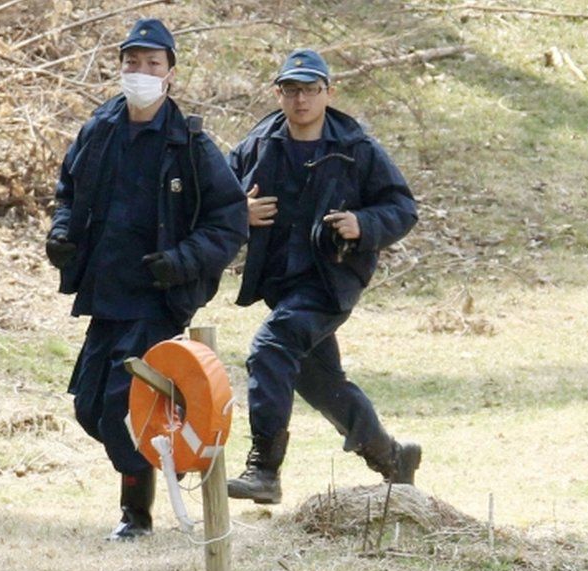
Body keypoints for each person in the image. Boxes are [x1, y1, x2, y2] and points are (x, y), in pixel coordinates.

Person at [46, 18, 248, 539]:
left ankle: (135, 517)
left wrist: (182, 260)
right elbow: (67, 192)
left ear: (170, 74)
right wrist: (63, 233)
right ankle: (169, 453)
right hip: (103, 290)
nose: (140, 71)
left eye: (152, 63)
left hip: (157, 297)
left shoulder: (192, 144)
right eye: (132, 62)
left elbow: (229, 221)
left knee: (123, 402)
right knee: (90, 406)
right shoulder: (99, 129)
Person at [225, 48, 421, 505]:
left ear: (328, 93)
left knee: (270, 348)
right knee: (319, 381)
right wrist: (240, 211)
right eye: (291, 90)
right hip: (281, 285)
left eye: (310, 90)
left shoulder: (356, 148)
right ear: (278, 94)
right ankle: (393, 459)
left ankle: (264, 470)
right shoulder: (259, 144)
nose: (300, 100)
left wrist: (364, 225)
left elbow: (402, 208)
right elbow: (214, 196)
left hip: (331, 281)